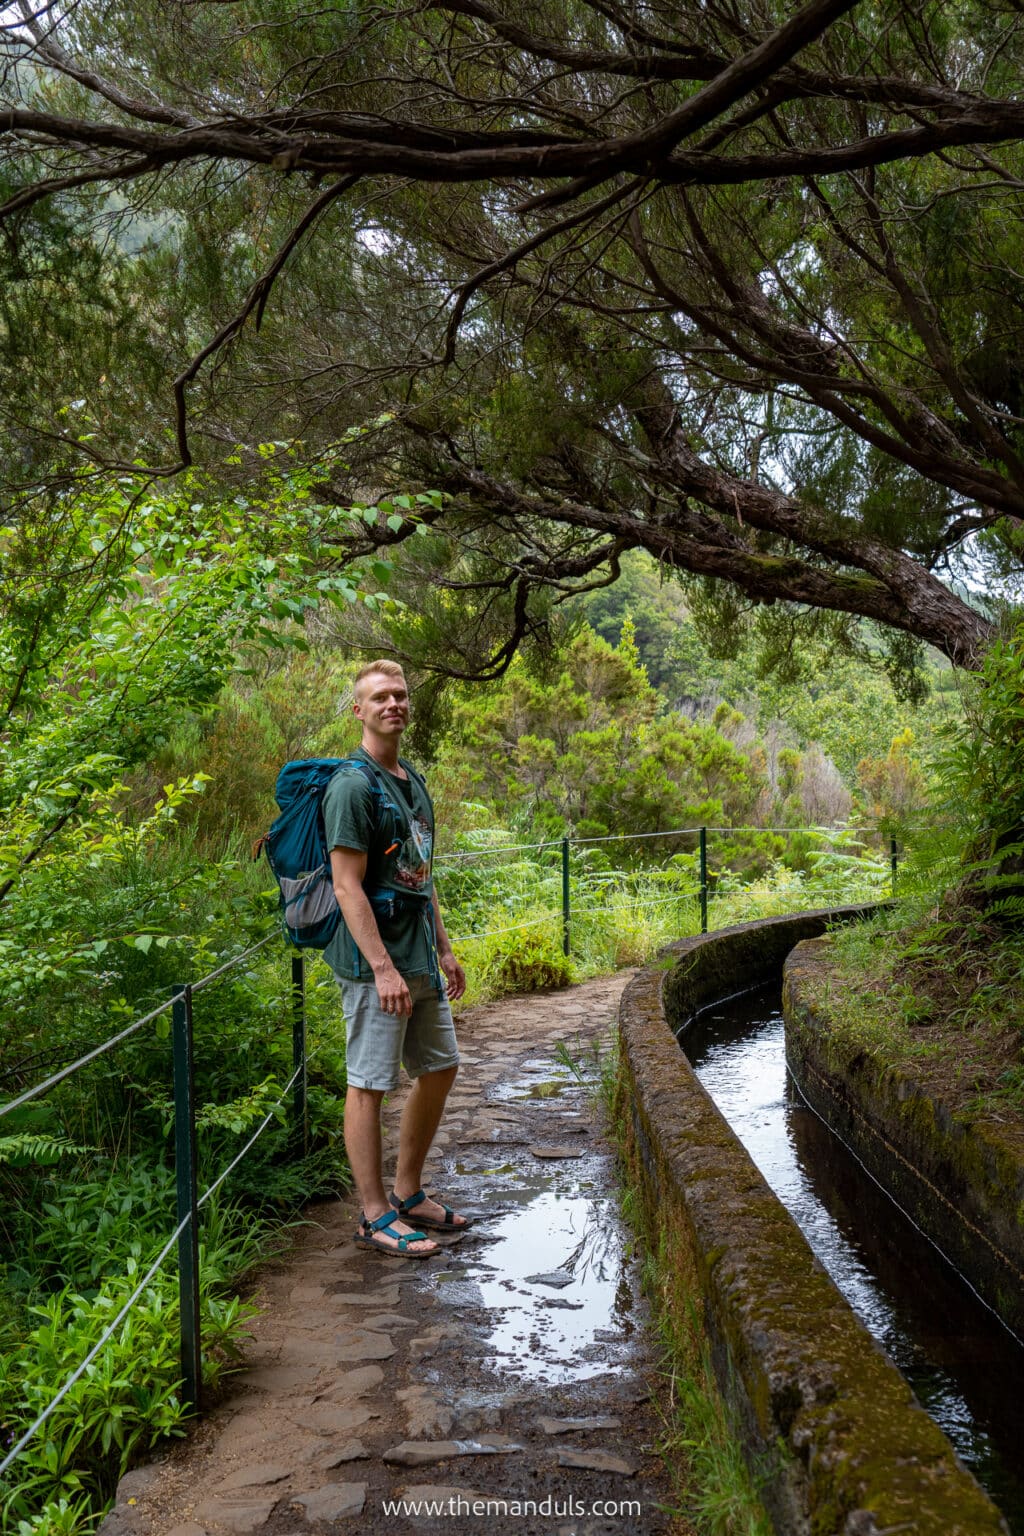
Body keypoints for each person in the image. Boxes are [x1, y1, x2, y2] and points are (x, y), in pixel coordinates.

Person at [323, 659, 470, 1257]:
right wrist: (382, 967)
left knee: (441, 1065)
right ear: (358, 710)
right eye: (380, 697)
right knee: (369, 1083)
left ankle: (408, 1193)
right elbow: (345, 885)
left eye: (401, 695)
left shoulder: (412, 778)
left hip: (419, 954)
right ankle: (373, 1212)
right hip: (372, 964)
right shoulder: (351, 786)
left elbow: (420, 872)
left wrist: (444, 945)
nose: (393, 704)